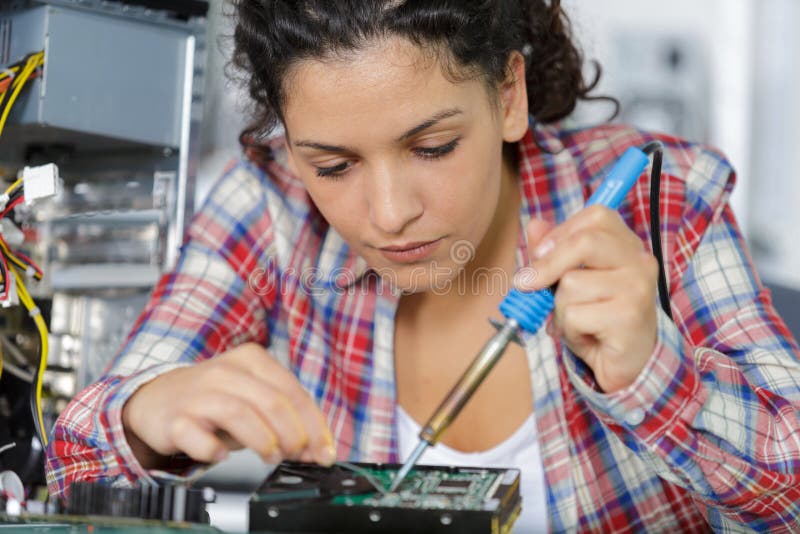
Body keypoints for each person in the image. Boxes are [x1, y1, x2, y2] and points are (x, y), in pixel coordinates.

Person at [45, 1, 800, 532]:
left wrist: (654, 373)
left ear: (508, 95)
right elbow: (70, 464)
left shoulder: (665, 197)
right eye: (333, 164)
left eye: (432, 147)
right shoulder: (271, 203)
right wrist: (143, 421)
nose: (387, 213)